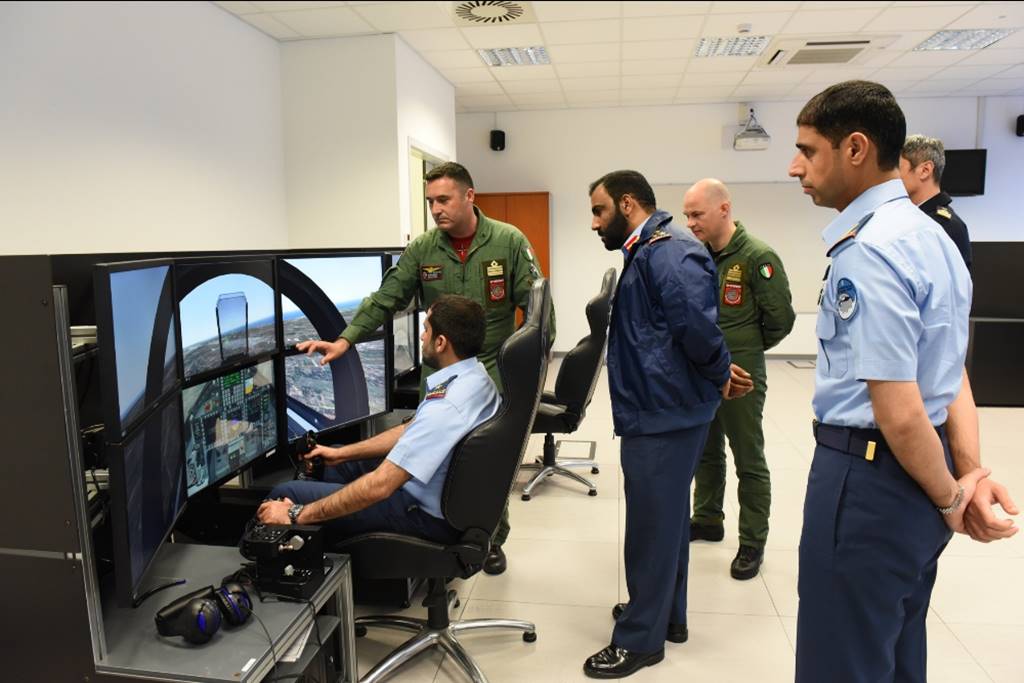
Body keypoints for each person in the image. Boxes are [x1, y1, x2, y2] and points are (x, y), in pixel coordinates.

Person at [788, 80, 1018, 683]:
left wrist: (953, 499)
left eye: (808, 151)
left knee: (840, 661)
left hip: (869, 483)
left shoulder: (870, 251)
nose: (795, 167)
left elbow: (902, 411)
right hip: (919, 479)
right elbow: (952, 371)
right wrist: (965, 475)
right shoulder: (935, 237)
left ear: (856, 148)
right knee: (892, 654)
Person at [295, 161, 553, 575]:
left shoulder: (508, 241)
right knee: (420, 462)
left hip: (492, 371)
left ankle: (486, 537)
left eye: (443, 199)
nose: (435, 209)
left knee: (486, 463)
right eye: (430, 201)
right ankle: (423, 530)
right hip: (441, 376)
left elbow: (540, 314)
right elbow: (385, 299)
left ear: (470, 196)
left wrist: (532, 376)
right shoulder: (424, 249)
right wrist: (345, 339)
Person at [582, 170, 753, 679]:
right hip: (662, 406)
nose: (593, 223)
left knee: (651, 528)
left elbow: (695, 326)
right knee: (669, 522)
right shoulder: (650, 248)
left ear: (628, 204)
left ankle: (640, 640)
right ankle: (664, 617)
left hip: (664, 411)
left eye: (599, 210)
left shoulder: (668, 250)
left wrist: (721, 371)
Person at [258, 295, 500, 545]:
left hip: (422, 515)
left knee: (285, 494)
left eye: (426, 329)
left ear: (440, 342)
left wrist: (296, 513)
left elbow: (381, 486)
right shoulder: (477, 378)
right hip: (440, 499)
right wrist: (342, 454)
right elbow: (411, 429)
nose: (421, 337)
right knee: (332, 463)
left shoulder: (446, 406)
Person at [683, 178, 796, 580]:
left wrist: (743, 348)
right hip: (702, 371)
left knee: (748, 456)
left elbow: (782, 319)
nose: (691, 222)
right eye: (687, 215)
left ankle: (752, 541)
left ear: (724, 209)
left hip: (741, 374)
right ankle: (709, 518)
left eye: (697, 214)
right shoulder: (697, 257)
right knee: (707, 451)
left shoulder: (756, 256)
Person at [899, 134, 972, 271]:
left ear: (925, 171)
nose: (893, 177)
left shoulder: (947, 226)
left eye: (898, 169)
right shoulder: (912, 217)